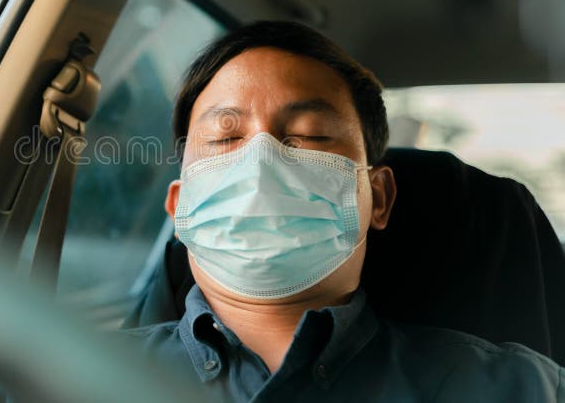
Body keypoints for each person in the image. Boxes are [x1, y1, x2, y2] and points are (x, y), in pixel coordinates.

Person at [121, 20, 564, 401]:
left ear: (378, 197)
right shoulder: (82, 377)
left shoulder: (521, 389)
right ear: (180, 206)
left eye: (310, 135)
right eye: (225, 139)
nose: (260, 163)